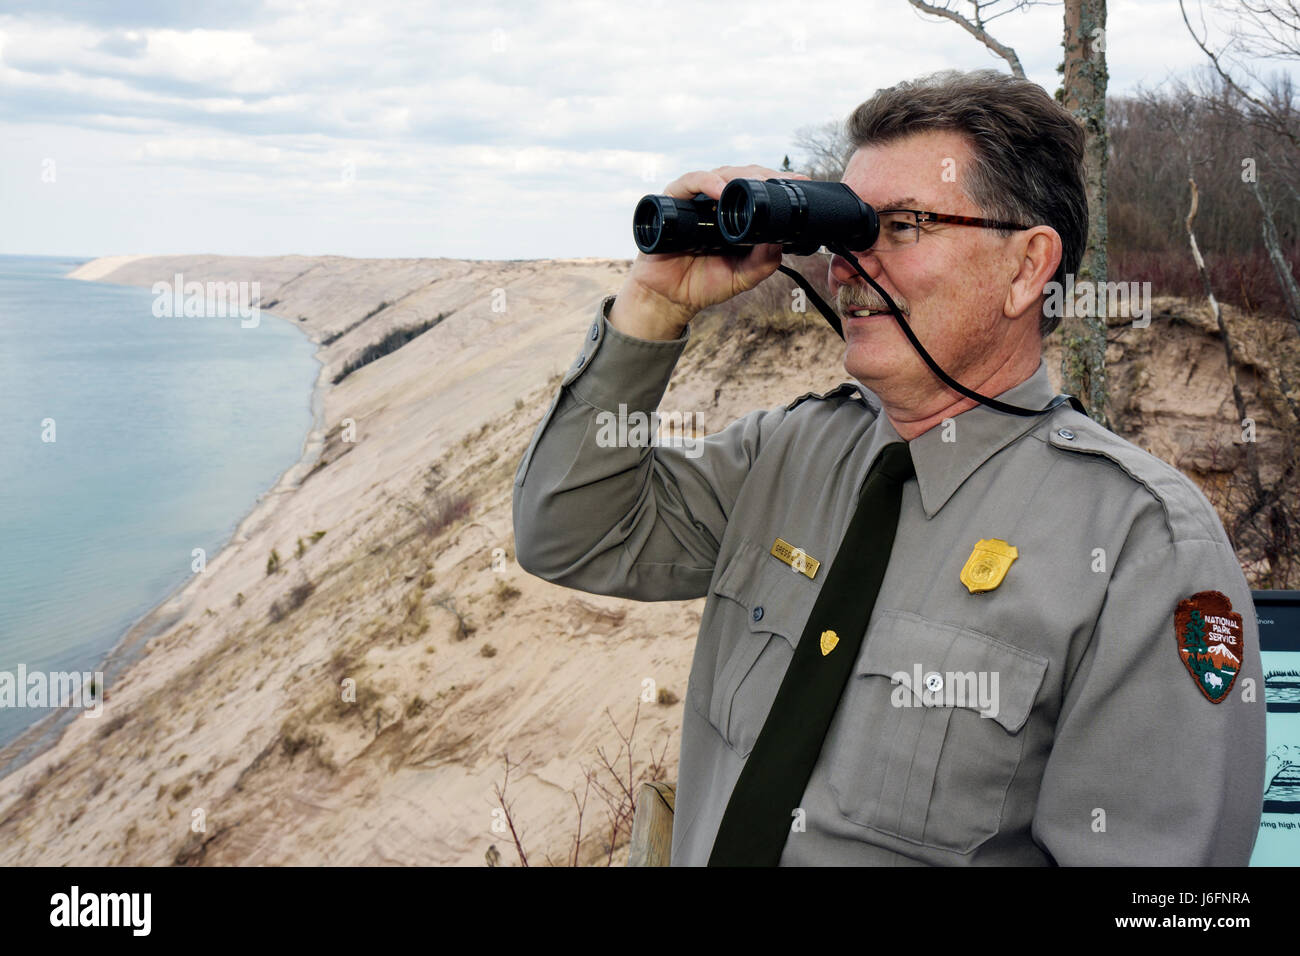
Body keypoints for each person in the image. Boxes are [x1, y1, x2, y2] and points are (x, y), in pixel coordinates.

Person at [512, 69, 1266, 865]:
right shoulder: (788, 454)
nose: (849, 265)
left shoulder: (1142, 548)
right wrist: (654, 303)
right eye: (847, 228)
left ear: (1025, 267)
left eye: (901, 225)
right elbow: (568, 532)